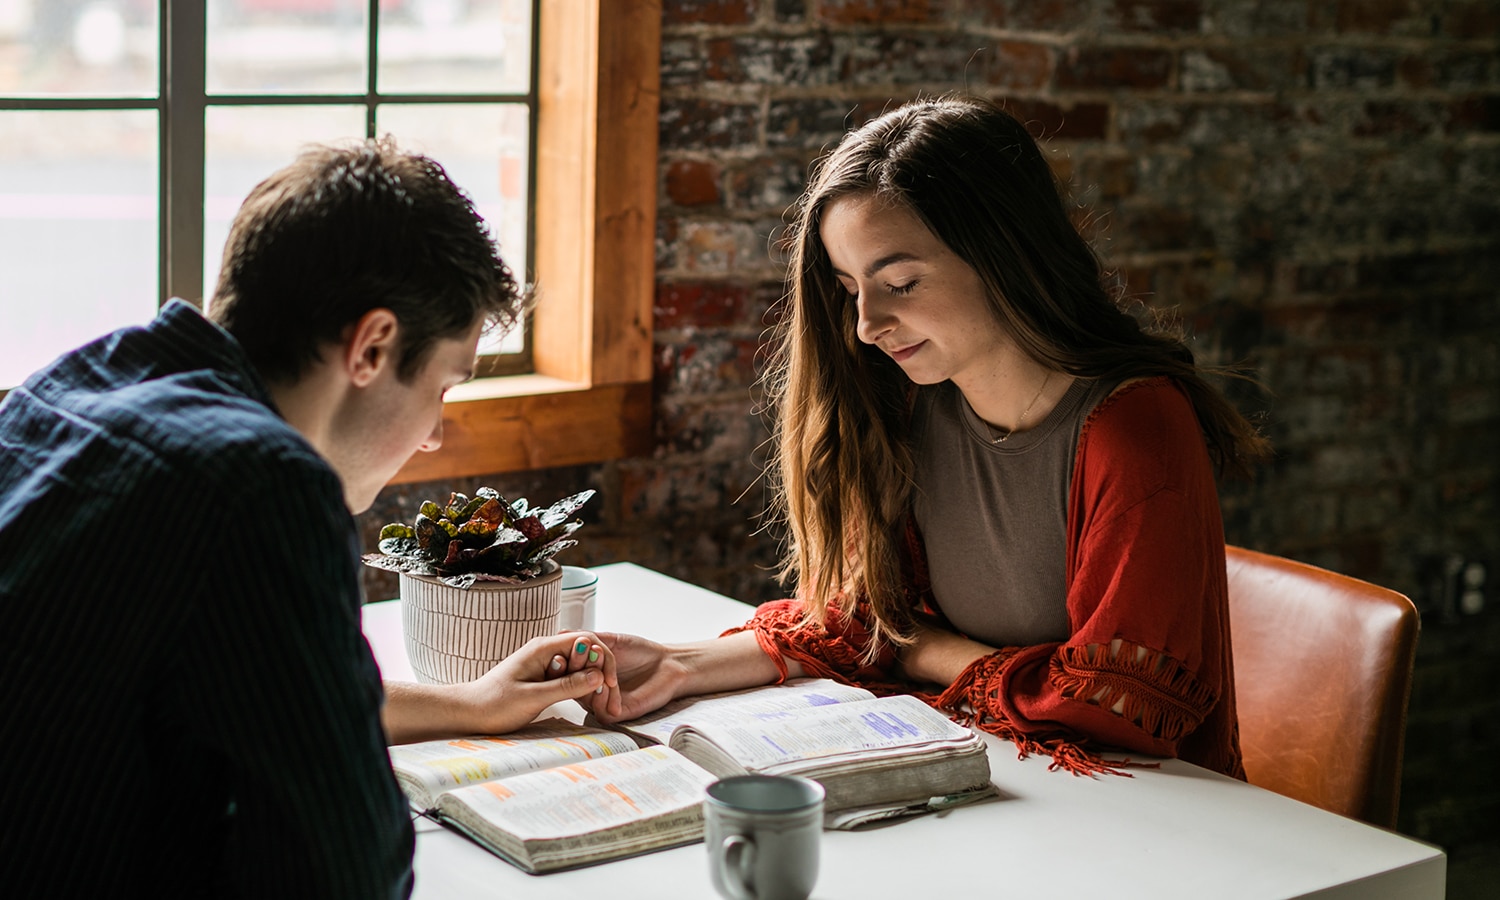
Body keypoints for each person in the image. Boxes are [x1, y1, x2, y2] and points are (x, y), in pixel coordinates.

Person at [0, 139, 618, 897]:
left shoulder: (71, 384)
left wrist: (469, 704)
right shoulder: (261, 483)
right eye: (442, 387)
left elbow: (214, 688)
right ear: (373, 346)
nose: (431, 434)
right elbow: (345, 871)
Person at [587, 95, 1271, 779]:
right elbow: (864, 621)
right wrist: (676, 664)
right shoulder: (911, 404)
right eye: (850, 288)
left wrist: (921, 651)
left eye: (902, 283)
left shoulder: (1135, 427)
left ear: (1006, 254)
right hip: (993, 773)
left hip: (1147, 815)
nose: (867, 325)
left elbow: (1113, 706)